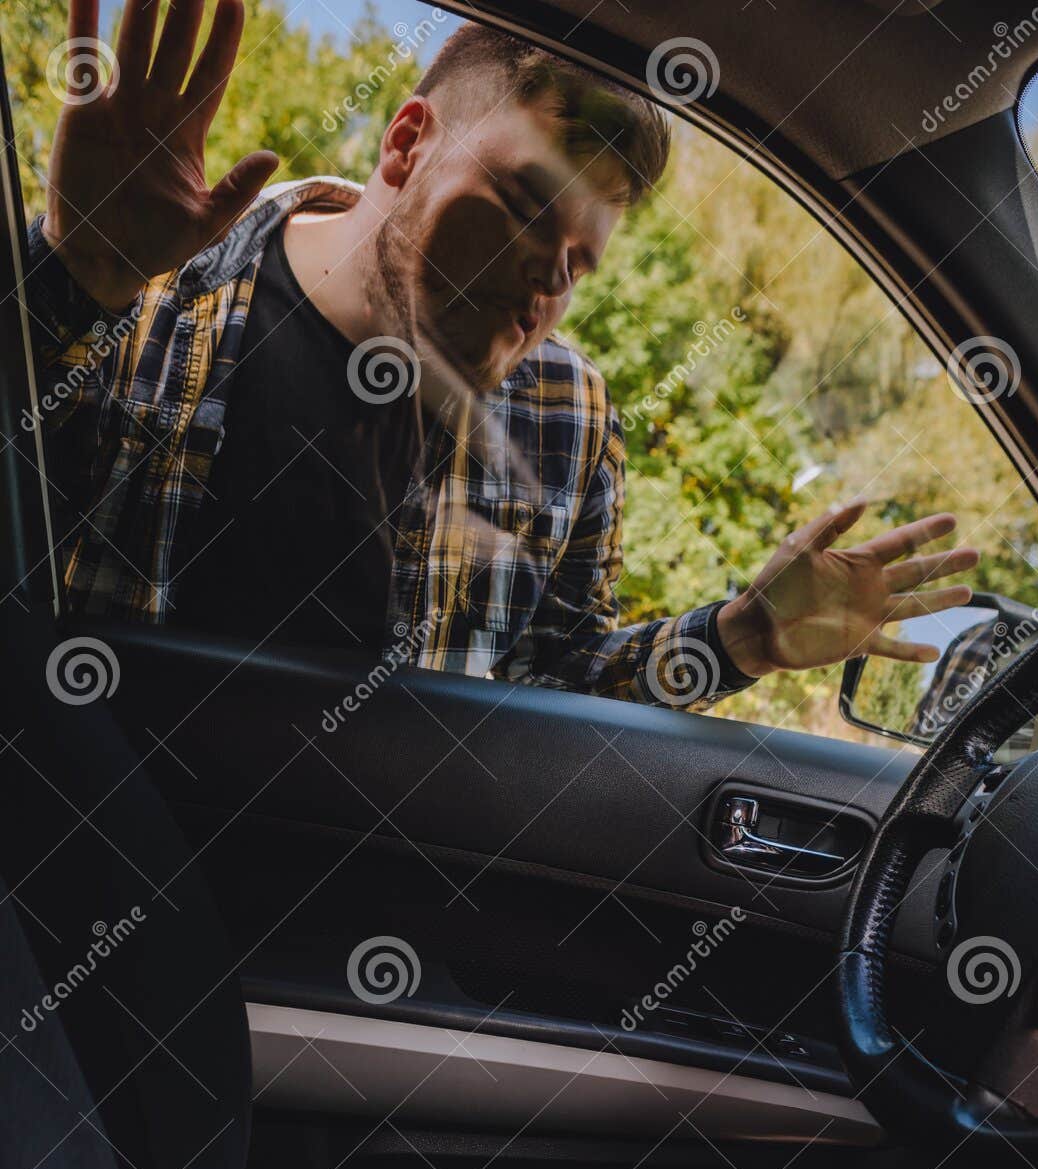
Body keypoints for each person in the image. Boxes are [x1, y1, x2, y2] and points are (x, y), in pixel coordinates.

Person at [30, 0, 976, 705]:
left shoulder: (571, 417)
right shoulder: (144, 292)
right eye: (526, 206)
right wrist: (63, 276)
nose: (544, 283)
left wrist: (741, 640)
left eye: (577, 264)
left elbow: (551, 691)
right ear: (406, 143)